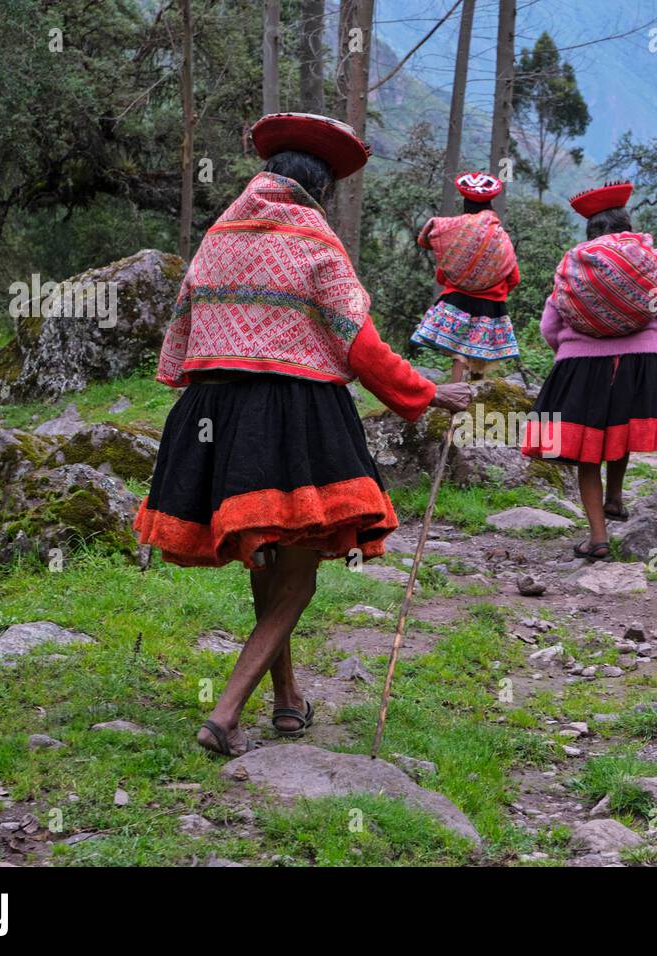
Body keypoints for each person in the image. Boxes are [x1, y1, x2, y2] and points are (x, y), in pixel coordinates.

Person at [134, 112, 472, 757]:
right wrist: (426, 395)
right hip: (291, 414)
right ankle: (226, 713)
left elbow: (182, 321)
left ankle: (287, 702)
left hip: (211, 411)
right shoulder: (316, 244)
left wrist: (194, 373)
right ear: (324, 189)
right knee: (297, 576)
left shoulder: (219, 235)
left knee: (267, 555)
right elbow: (359, 341)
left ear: (267, 175)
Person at [521, 181, 657, 561]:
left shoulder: (573, 264)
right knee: (620, 429)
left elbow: (548, 327)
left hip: (580, 366)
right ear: (627, 226)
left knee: (588, 453)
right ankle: (615, 497)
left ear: (590, 231)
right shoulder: (647, 260)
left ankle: (598, 538)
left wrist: (568, 353)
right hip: (642, 364)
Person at [410, 171, 521, 382]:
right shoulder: (501, 238)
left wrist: (462, 282)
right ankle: (476, 393)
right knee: (479, 353)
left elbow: (442, 275)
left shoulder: (453, 233)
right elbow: (513, 278)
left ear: (464, 204)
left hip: (456, 301)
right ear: (491, 205)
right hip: (490, 306)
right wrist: (491, 287)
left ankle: (455, 394)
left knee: (459, 352)